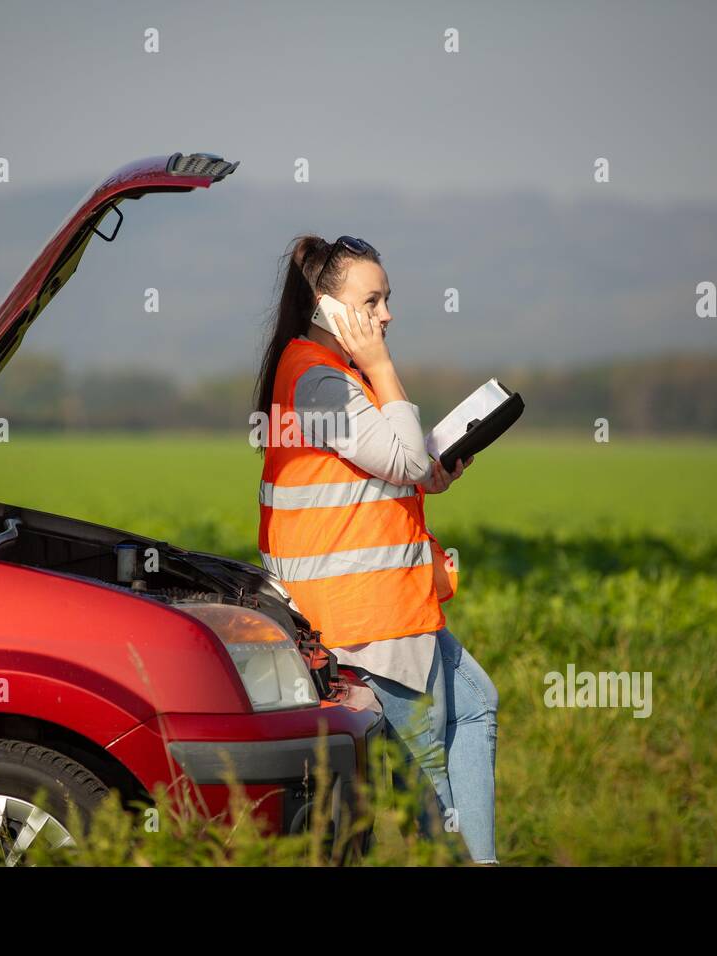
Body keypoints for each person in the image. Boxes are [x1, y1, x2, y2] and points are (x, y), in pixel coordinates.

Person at [254, 234, 499, 864]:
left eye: (387, 299)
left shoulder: (332, 375)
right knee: (428, 784)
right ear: (328, 308)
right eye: (373, 300)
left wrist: (427, 475)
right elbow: (401, 454)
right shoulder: (317, 381)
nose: (386, 314)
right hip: (366, 624)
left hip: (396, 610)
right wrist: (384, 366)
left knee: (475, 707)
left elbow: (388, 468)